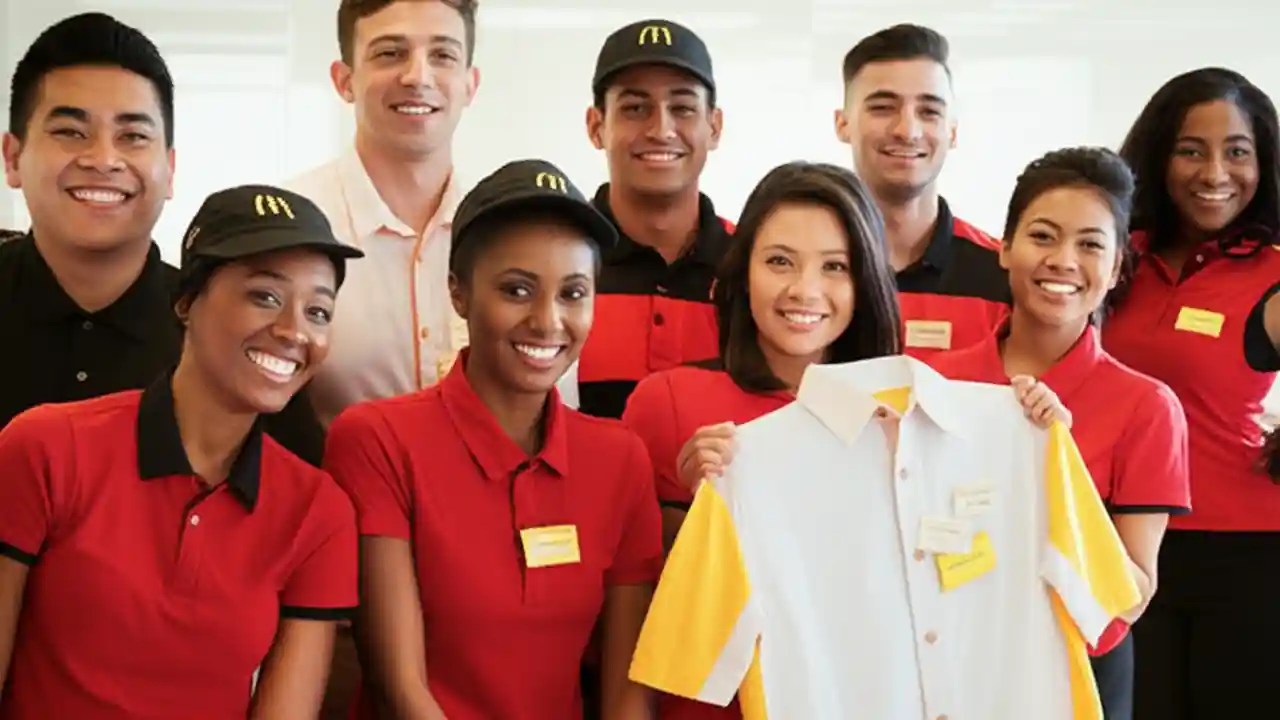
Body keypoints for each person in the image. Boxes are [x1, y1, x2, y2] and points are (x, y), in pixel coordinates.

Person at [623, 161, 1071, 720]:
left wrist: (1036, 429)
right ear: (743, 273)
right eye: (779, 261)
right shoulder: (668, 402)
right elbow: (634, 608)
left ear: (866, 283)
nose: (804, 290)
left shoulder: (915, 418)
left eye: (836, 266)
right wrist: (701, 505)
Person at [0, 184, 362, 719]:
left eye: (319, 311)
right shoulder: (47, 448)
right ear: (187, 300)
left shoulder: (318, 512)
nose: (293, 331)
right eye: (264, 296)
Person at [323, 159, 663, 720]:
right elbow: (401, 689)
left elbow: (629, 691)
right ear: (459, 294)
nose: (548, 320)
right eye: (517, 290)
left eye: (573, 293)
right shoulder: (378, 440)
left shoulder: (619, 458)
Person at [928, 147, 1192, 720]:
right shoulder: (935, 384)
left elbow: (1131, 592)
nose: (1063, 260)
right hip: (949, 654)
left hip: (1077, 670)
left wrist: (1058, 458)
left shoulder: (1147, 408)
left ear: (1119, 266)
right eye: (1042, 236)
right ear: (1004, 247)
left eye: (1091, 244)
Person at [0, 11, 325, 462]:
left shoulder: (228, 330)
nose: (104, 159)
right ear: (12, 158)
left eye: (133, 136)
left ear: (169, 169)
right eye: (71, 132)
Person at [1102, 67, 1280, 720]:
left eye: (1237, 151)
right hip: (1121, 541)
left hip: (1251, 552)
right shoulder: (1115, 257)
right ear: (1158, 155)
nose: (1215, 172)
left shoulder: (1273, 269)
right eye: (1191, 149)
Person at [285, 0, 480, 427]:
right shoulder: (289, 228)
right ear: (344, 80)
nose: (417, 76)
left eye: (442, 55)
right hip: (331, 492)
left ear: (470, 84)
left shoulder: (507, 230)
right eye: (390, 53)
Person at [578, 18, 733, 420]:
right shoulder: (559, 261)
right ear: (597, 127)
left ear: (713, 127)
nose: (661, 130)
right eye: (635, 108)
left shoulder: (753, 265)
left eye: (682, 108)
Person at [834, 23, 1009, 358]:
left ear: (952, 131)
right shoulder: (804, 271)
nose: (907, 130)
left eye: (929, 111)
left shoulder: (1002, 278)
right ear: (842, 124)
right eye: (883, 107)